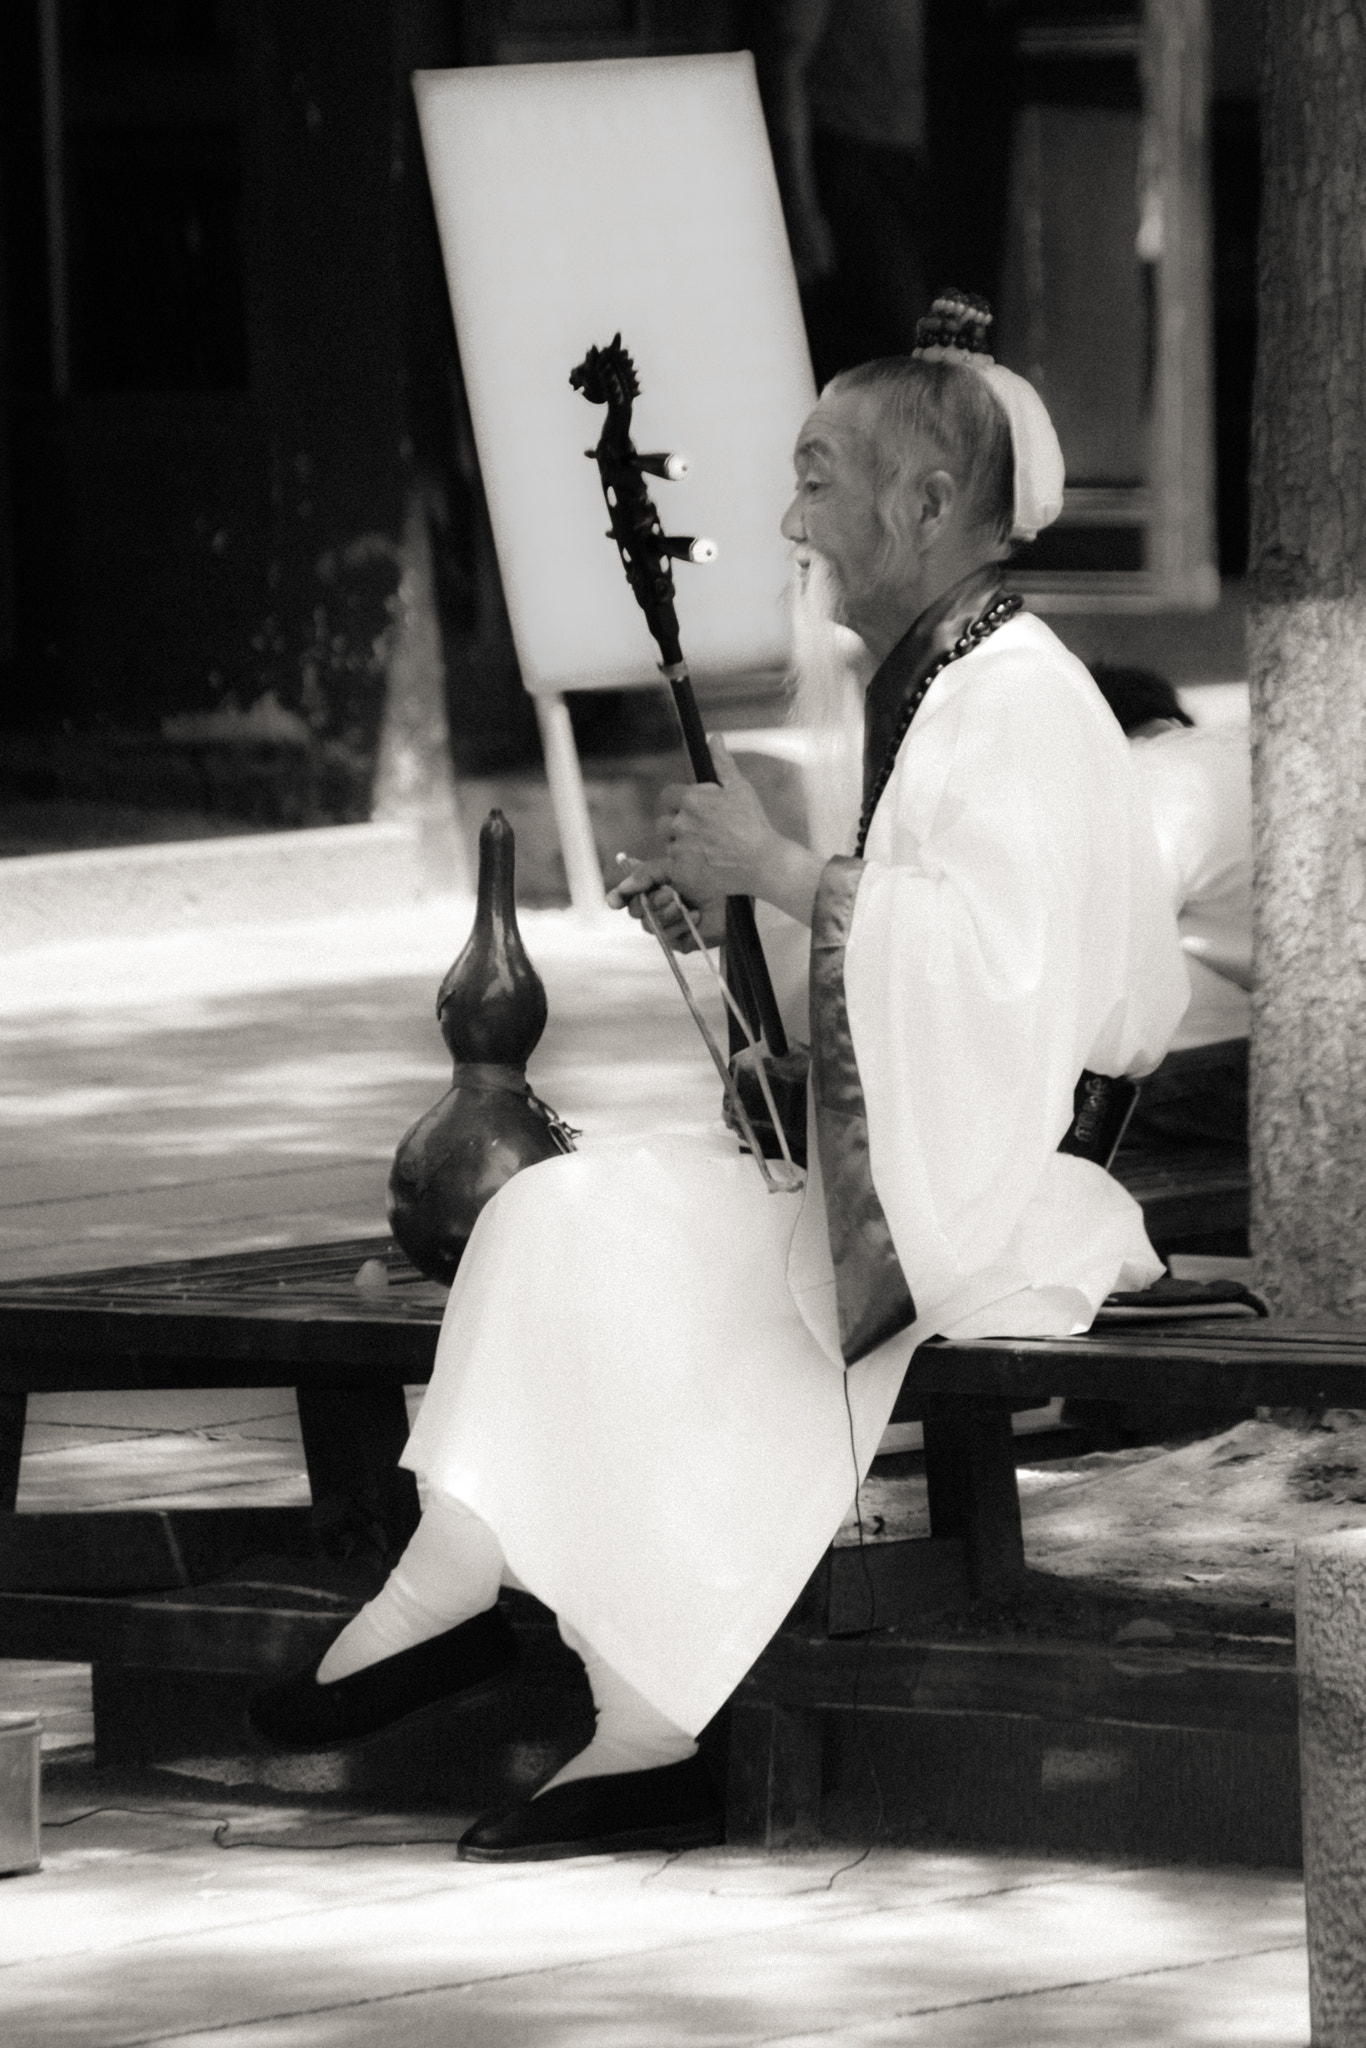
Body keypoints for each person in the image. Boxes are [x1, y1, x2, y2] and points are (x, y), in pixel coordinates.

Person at [249, 295, 1188, 1861]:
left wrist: (779, 866)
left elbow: (995, 979)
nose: (787, 517)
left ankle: (638, 1707)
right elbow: (918, 960)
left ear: (927, 506)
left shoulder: (1013, 694)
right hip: (922, 1166)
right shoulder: (947, 680)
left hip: (995, 1197)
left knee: (687, 1285)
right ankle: (472, 1586)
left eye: (818, 478)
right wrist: (748, 901)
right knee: (562, 1214)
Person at [1091, 664, 1251, 1159]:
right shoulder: (1235, 751)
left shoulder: (1144, 780)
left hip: (1254, 1069)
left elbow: (1103, 966)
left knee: (1051, 1116)